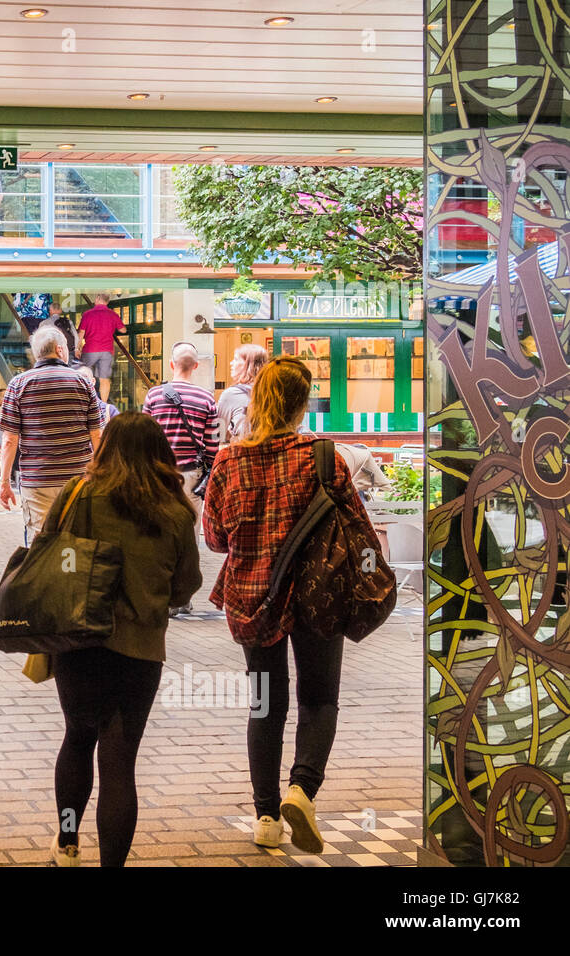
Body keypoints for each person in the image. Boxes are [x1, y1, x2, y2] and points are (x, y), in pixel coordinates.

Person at [202, 356, 375, 855]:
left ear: (257, 400)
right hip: (319, 598)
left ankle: (265, 817)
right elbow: (359, 530)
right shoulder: (325, 458)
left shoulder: (229, 461)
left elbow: (214, 537)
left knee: (264, 706)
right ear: (302, 405)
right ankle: (302, 789)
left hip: (253, 601)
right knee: (319, 699)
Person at [43, 412, 201, 866]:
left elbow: (49, 554)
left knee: (77, 739)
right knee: (119, 763)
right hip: (140, 651)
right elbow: (185, 585)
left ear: (105, 448)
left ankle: (68, 844)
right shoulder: (174, 510)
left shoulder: (77, 493)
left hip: (78, 642)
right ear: (161, 454)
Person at [0, 325, 102, 545]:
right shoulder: (83, 383)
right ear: (59, 349)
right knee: (77, 538)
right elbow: (97, 435)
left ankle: (45, 578)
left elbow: (9, 440)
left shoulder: (18, 384)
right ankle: (71, 577)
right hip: (78, 478)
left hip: (37, 481)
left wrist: (5, 482)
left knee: (41, 540)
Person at [142, 340, 219, 526]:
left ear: (171, 364)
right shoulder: (207, 399)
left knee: (159, 526)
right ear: (195, 366)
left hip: (159, 471)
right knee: (190, 526)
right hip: (192, 474)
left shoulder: (153, 395)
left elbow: (144, 437)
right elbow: (212, 444)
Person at [77, 293, 126, 403]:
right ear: (107, 301)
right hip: (106, 351)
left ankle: (85, 401)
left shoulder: (87, 314)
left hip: (90, 350)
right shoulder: (112, 314)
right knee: (104, 379)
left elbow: (81, 333)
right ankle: (103, 405)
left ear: (97, 298)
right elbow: (123, 329)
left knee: (85, 376)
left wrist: (77, 348)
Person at [217, 343, 268, 444]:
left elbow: (219, 434)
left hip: (244, 454)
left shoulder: (231, 394)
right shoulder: (271, 391)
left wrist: (230, 435)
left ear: (249, 365)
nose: (231, 363)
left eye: (236, 359)